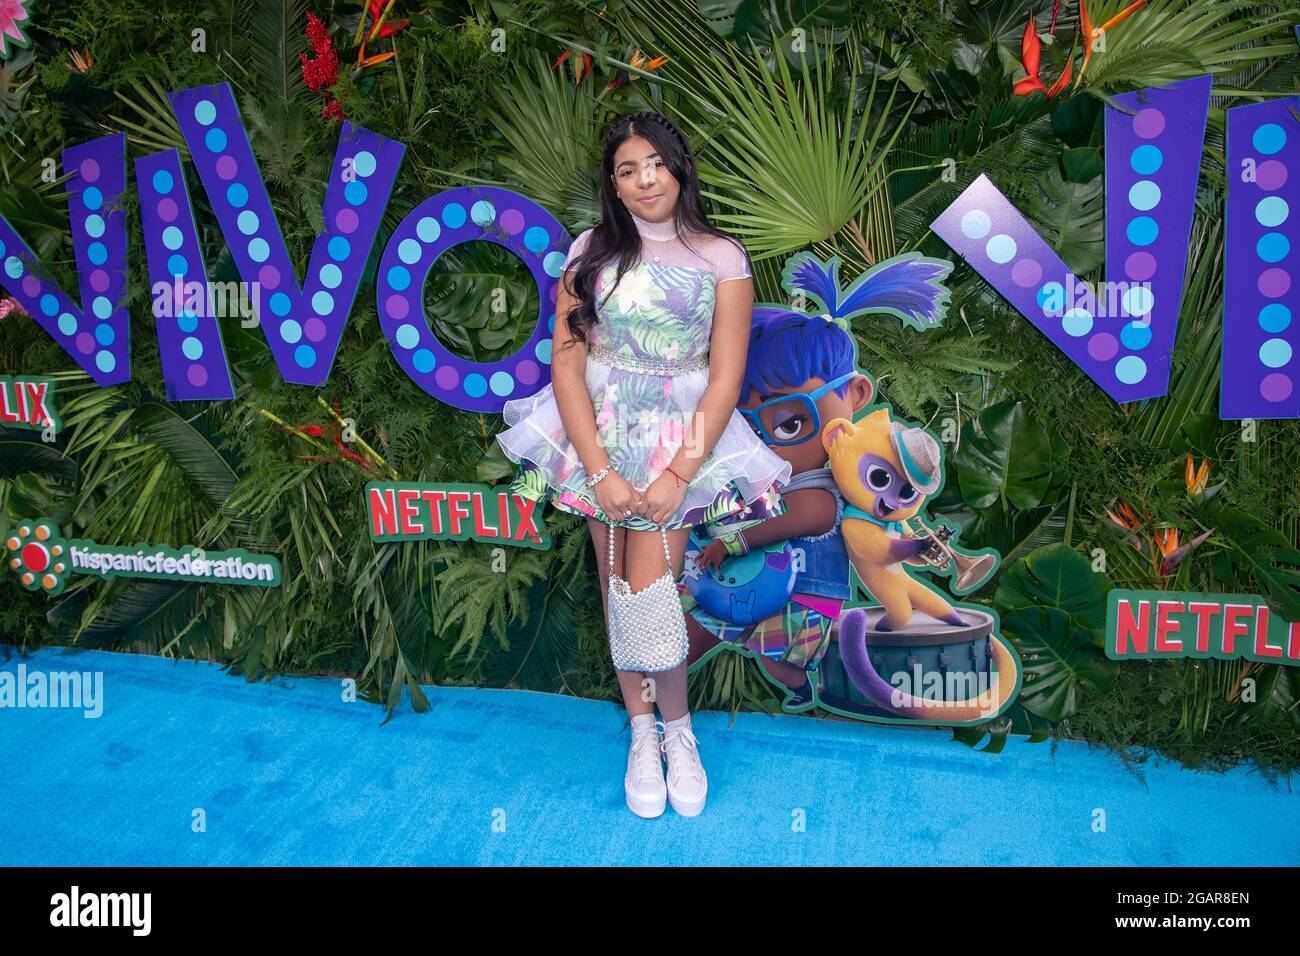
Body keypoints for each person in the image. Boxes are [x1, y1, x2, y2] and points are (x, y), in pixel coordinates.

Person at [495, 110, 791, 818]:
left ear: (679, 167)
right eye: (627, 169)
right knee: (615, 588)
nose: (644, 178)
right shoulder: (590, 249)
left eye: (654, 163)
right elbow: (566, 365)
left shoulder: (722, 256)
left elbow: (724, 379)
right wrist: (599, 471)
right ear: (614, 185)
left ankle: (679, 732)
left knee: (652, 590)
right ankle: (640, 733)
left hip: (681, 441)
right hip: (598, 436)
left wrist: (677, 475)